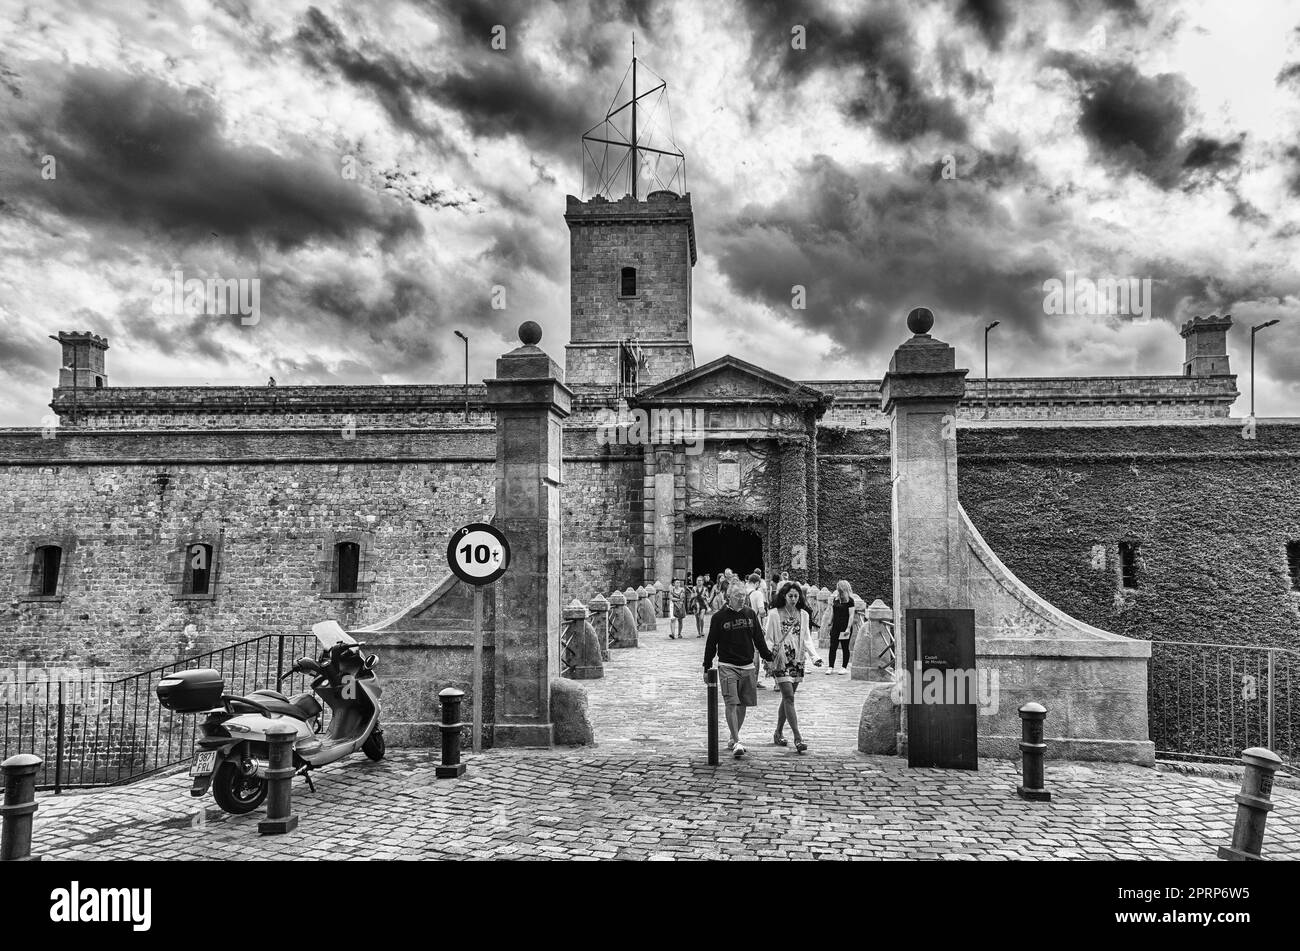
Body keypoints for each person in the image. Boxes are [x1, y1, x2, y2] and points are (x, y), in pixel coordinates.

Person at [703, 583, 774, 758]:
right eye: (737, 596)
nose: (741, 599)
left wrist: (768, 657)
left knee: (742, 705)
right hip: (727, 665)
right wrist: (707, 666)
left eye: (743, 596)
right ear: (729, 597)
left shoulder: (750, 614)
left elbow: (758, 638)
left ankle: (733, 736)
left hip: (747, 665)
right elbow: (711, 643)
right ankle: (737, 741)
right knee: (731, 703)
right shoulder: (719, 617)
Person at [766, 582, 821, 752]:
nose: (793, 599)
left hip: (797, 659)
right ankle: (798, 737)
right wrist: (768, 657)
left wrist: (815, 657)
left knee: (787, 698)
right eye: (790, 596)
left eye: (796, 596)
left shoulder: (803, 614)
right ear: (784, 596)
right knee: (789, 697)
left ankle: (778, 732)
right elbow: (768, 637)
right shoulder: (774, 614)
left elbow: (806, 638)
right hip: (781, 659)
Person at [745, 572, 770, 688]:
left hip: (742, 625)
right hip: (755, 625)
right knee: (755, 651)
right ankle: (754, 680)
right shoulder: (757, 594)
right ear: (756, 583)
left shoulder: (742, 592)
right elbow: (761, 611)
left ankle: (745, 679)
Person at [825, 579, 854, 674]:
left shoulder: (850, 601)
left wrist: (848, 628)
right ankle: (830, 667)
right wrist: (829, 621)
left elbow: (851, 615)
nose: (838, 590)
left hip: (845, 627)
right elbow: (833, 611)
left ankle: (844, 667)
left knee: (845, 647)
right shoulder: (836, 599)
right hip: (836, 626)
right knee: (833, 646)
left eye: (840, 589)